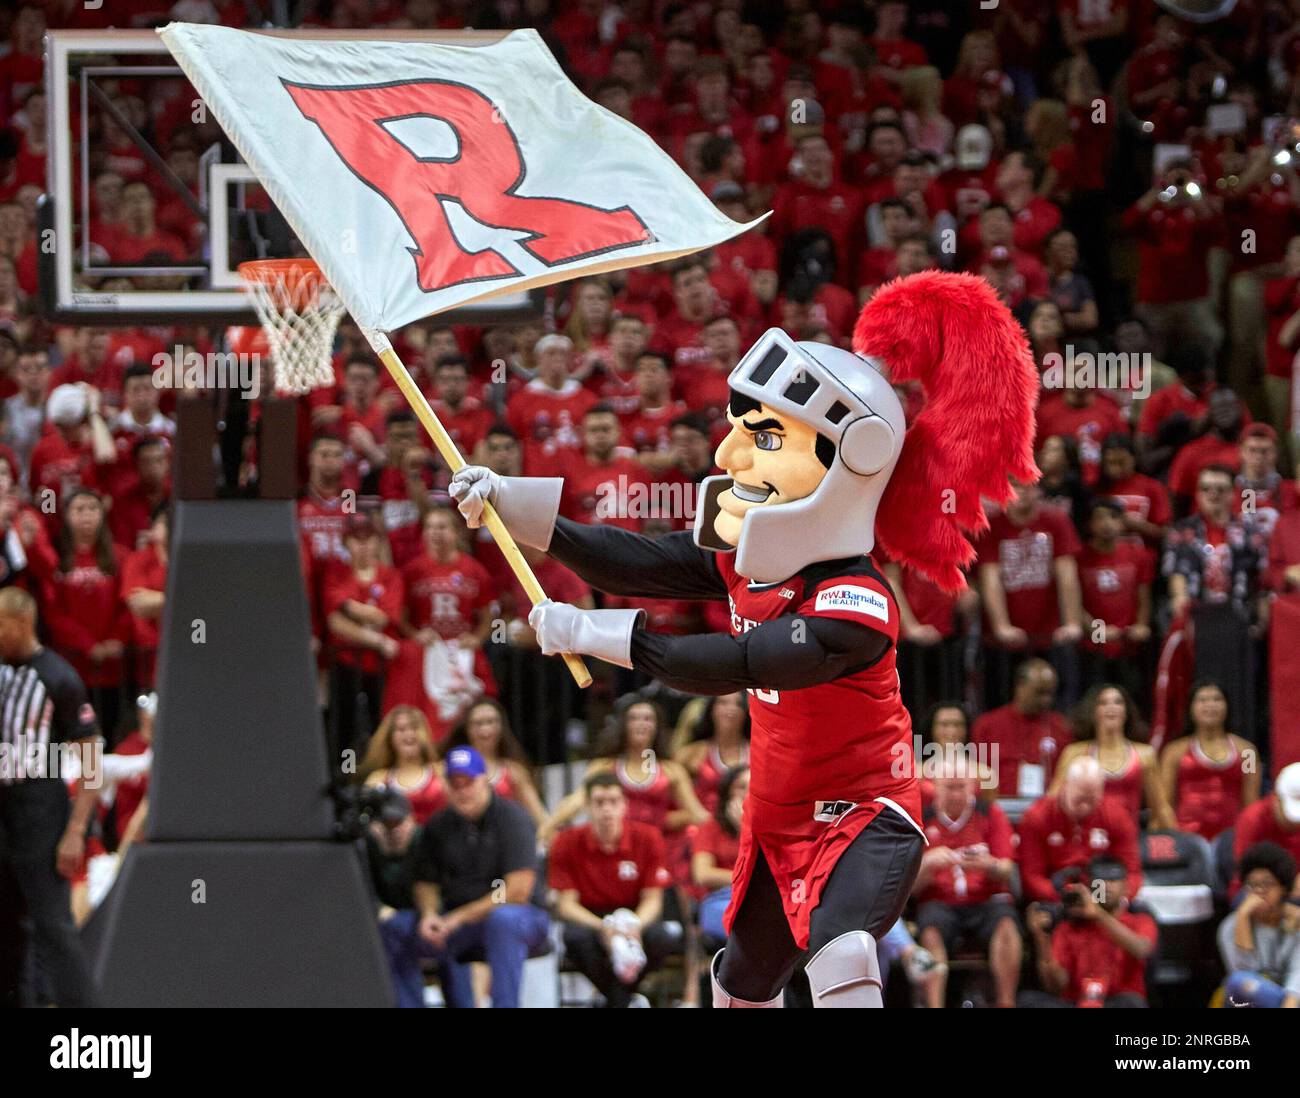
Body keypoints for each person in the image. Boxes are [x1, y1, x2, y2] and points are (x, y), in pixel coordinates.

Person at [453, 271, 1038, 1007]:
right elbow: (634, 557)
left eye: (762, 437)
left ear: (852, 458)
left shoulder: (856, 600)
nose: (729, 458)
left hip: (864, 815)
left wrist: (597, 633)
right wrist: (510, 504)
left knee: (843, 953)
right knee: (739, 988)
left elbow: (738, 663)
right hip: (773, 820)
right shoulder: (744, 565)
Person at [385, 747, 547, 1009]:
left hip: (522, 919)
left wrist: (456, 918)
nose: (462, 790)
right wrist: (429, 915)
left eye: (468, 782)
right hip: (457, 924)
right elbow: (425, 880)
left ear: (485, 780)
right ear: (446, 786)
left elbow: (516, 891)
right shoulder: (438, 825)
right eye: (454, 783)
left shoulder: (512, 818)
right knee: (395, 928)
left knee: (503, 921)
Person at [0, 586, 101, 1007]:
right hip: (3, 809)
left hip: (41, 807)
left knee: (53, 925)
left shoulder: (60, 677)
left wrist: (76, 831)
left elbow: (92, 761)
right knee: (7, 926)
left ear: (22, 622)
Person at [549, 772, 680, 1008]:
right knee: (574, 937)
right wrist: (603, 928)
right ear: (587, 806)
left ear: (624, 805)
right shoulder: (566, 841)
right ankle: (625, 1001)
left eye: (613, 801)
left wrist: (634, 925)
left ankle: (612, 1001)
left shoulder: (648, 837)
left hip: (634, 914)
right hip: (590, 917)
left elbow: (653, 899)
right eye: (599, 802)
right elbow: (566, 905)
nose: (607, 809)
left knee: (665, 935)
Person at [912, 766, 1021, 1009]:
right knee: (930, 930)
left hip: (985, 899)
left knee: (1006, 923)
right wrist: (927, 864)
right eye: (949, 787)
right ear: (935, 788)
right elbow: (909, 892)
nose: (955, 794)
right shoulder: (922, 819)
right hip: (939, 902)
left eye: (961, 786)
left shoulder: (990, 813)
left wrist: (989, 864)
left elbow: (1009, 871)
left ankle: (1006, 1002)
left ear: (973, 787)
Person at [1021, 856, 1157, 1008]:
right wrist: (1041, 937)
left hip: (1117, 1002)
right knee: (1028, 1000)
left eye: (1112, 880)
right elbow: (1055, 987)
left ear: (1126, 887)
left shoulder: (1140, 920)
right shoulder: (1068, 927)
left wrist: (1098, 914)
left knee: (1133, 1003)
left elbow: (1141, 949)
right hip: (1077, 1002)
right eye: (1099, 881)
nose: (1105, 886)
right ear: (1089, 887)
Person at [323, 513, 402, 761]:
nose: (363, 546)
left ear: (378, 542)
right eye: (357, 540)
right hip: (346, 663)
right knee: (343, 726)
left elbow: (384, 617)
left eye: (368, 539)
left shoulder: (390, 575)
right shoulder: (336, 572)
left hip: (382, 668)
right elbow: (335, 623)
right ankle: (344, 777)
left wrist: (351, 608)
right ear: (346, 543)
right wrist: (377, 640)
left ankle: (379, 772)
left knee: (382, 722)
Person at [1048, 684, 1175, 830]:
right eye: (1103, 703)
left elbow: (1161, 808)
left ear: (1126, 711)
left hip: (1129, 840)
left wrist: (1181, 844)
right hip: (1087, 840)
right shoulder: (1075, 753)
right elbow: (1053, 800)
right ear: (1093, 711)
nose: (1111, 707)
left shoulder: (1144, 754)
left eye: (1118, 702)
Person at [1018, 757, 1142, 905]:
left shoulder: (1117, 816)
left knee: (1144, 916)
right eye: (1079, 800)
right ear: (1064, 787)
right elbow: (1032, 877)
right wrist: (1068, 899)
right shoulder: (1037, 817)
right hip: (1056, 894)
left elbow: (1132, 871)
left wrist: (1117, 900)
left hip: (1102, 892)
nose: (1085, 807)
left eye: (1092, 801)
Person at [1159, 682, 1260, 841]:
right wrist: (1178, 839)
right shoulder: (1173, 752)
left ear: (1227, 706)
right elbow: (1164, 804)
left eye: (1216, 699)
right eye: (1203, 700)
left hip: (1233, 838)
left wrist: (1247, 838)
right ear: (1191, 709)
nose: (1210, 705)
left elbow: (1252, 805)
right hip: (1186, 839)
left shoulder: (1248, 752)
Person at [970, 659, 1072, 800]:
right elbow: (976, 773)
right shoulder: (987, 725)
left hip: (1045, 809)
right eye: (1040, 693)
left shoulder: (1061, 726)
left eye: (1050, 694)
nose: (1046, 700)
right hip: (998, 807)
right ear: (1020, 687)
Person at [441, 698, 547, 828]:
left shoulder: (514, 771)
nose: (485, 730)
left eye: (491, 722)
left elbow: (539, 817)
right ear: (467, 728)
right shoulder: (450, 767)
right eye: (478, 723)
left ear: (501, 726)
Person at [1218, 843, 1300, 1009]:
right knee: (1239, 982)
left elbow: (1297, 977)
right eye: (1251, 885)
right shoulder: (1230, 926)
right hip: (1251, 1001)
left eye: (1267, 884)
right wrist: (1242, 918)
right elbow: (1245, 978)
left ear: (1283, 887)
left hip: (1292, 1000)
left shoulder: (1295, 920)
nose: (1258, 892)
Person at [360, 705, 446, 826]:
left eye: (415, 728)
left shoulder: (442, 771)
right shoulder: (377, 778)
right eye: (401, 729)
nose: (409, 734)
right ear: (390, 737)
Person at [692, 764, 747, 944]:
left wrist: (745, 829)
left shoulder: (768, 831)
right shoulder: (711, 828)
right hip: (721, 899)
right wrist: (747, 879)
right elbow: (703, 874)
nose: (747, 793)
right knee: (746, 925)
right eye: (741, 787)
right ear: (727, 793)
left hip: (758, 899)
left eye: (753, 787)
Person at [1233, 764, 1300, 886]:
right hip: (1255, 888)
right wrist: (1289, 886)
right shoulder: (1253, 819)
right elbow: (1247, 871)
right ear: (1277, 798)